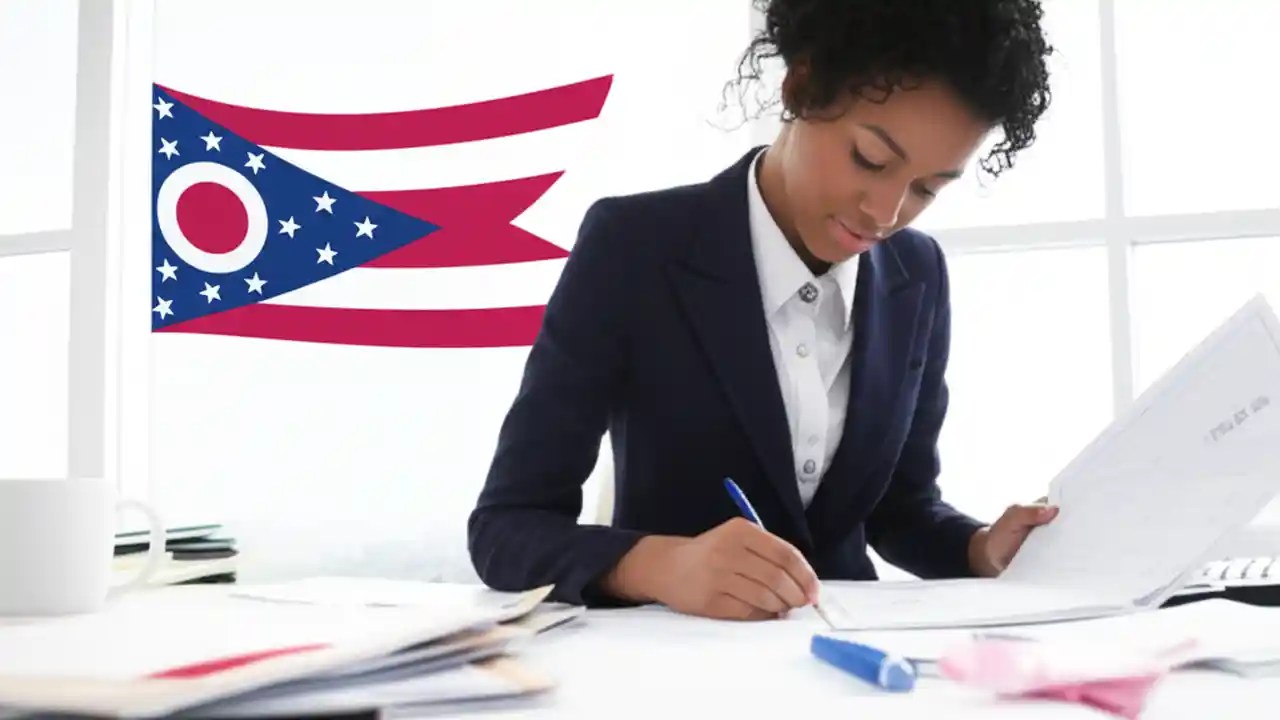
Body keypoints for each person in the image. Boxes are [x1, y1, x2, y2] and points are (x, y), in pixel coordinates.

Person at [468, 0, 1061, 620]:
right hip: (672, 661)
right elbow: (507, 528)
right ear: (802, 88)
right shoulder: (635, 247)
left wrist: (980, 548)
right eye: (871, 160)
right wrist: (661, 565)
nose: (886, 213)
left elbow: (900, 512)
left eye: (926, 189)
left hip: (854, 663)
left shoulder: (918, 276)